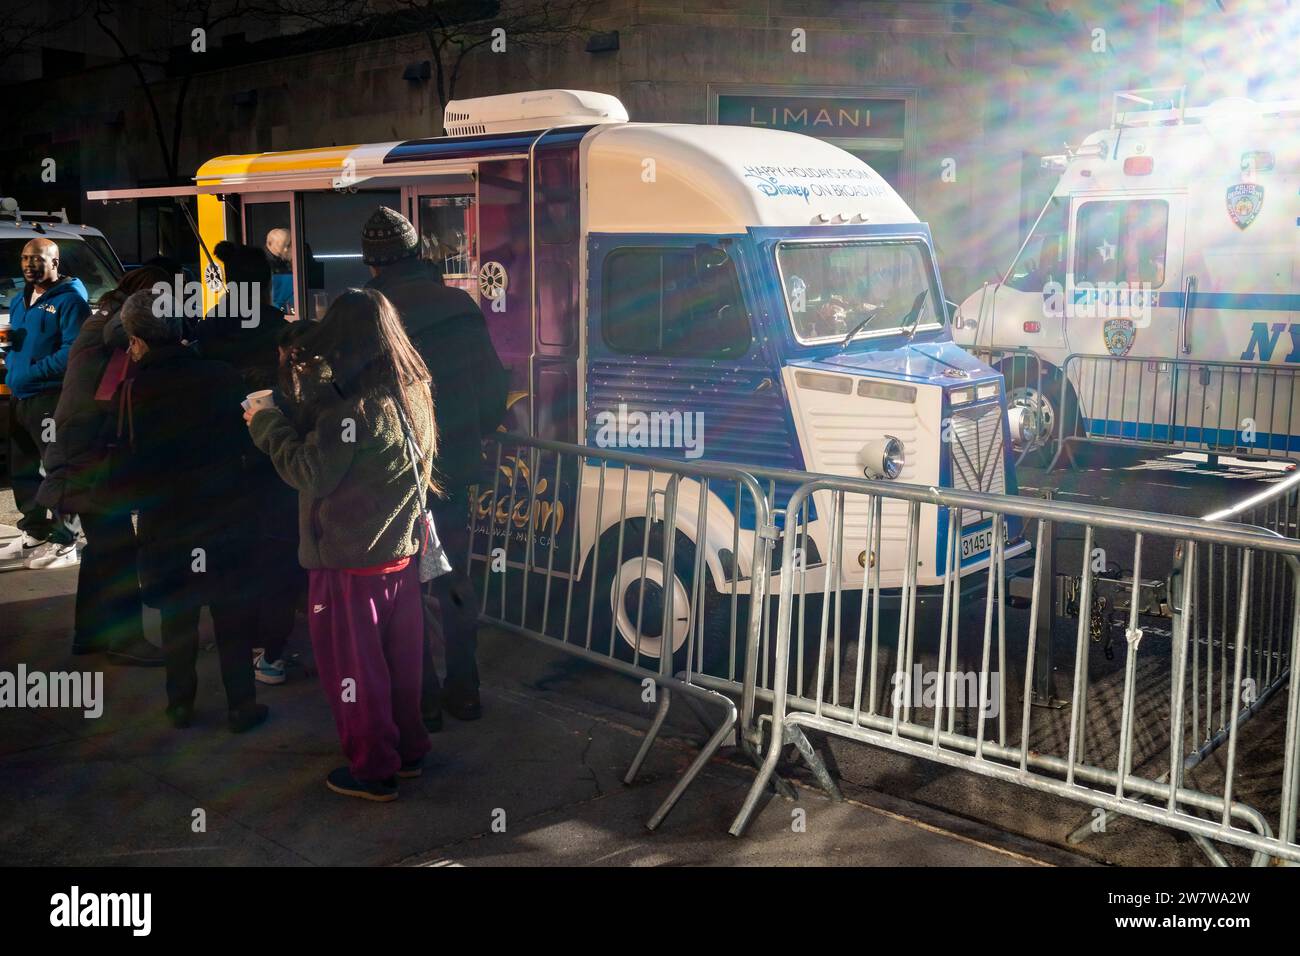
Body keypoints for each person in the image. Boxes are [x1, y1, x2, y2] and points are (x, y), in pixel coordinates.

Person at [247, 288, 435, 801]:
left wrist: (265, 423)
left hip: (349, 563)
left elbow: (309, 471)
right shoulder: (414, 390)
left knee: (355, 674)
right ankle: (409, 749)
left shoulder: (351, 411)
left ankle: (374, 769)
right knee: (400, 664)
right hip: (399, 555)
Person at [362, 206, 507, 728]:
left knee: (403, 584)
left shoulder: (370, 311)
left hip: (394, 472)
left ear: (372, 263)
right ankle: (464, 689)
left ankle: (422, 698)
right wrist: (472, 433)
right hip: (454, 467)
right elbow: (493, 389)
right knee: (450, 576)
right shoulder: (459, 305)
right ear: (417, 252)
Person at [114, 289, 267, 732]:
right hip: (223, 512)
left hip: (167, 521)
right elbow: (249, 441)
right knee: (231, 615)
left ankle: (180, 704)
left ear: (140, 341)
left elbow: (126, 462)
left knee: (177, 618)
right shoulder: (221, 377)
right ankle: (241, 705)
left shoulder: (133, 390)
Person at [36, 266, 170, 663]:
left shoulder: (104, 316)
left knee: (102, 548)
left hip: (85, 450)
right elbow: (124, 333)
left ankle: (91, 634)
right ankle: (125, 641)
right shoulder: (110, 322)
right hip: (86, 453)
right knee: (117, 548)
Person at [192, 241, 302, 685]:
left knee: (233, 555)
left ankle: (237, 635)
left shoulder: (207, 328)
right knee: (272, 553)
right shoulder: (274, 327)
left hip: (219, 462)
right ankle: (267, 647)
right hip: (267, 459)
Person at [0, 238, 90, 569]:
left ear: (54, 262)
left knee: (57, 467)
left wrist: (32, 373)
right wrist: (11, 357)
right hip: (21, 396)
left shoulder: (70, 301)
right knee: (23, 468)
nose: (28, 264)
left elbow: (72, 352)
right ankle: (34, 532)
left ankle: (66, 541)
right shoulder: (20, 299)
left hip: (51, 396)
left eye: (36, 259)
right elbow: (20, 343)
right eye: (25, 258)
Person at [264, 228, 295, 314]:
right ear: (270, 244)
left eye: (288, 245)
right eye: (281, 245)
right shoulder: (264, 263)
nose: (285, 249)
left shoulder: (286, 260)